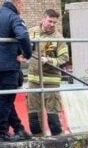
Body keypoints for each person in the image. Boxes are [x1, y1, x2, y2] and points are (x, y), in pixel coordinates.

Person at [0, 0, 32, 142]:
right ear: (19, 2)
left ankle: (19, 129)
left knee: (1, 101)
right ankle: (0, 132)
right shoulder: (14, 17)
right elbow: (22, 36)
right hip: (8, 66)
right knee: (5, 100)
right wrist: (26, 54)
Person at [27, 8, 68, 136]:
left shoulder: (58, 38)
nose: (52, 25)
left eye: (55, 23)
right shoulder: (32, 32)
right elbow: (23, 48)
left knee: (53, 113)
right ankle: (37, 140)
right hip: (34, 80)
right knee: (33, 113)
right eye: (50, 21)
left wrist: (49, 60)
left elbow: (64, 58)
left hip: (51, 81)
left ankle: (58, 141)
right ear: (43, 19)